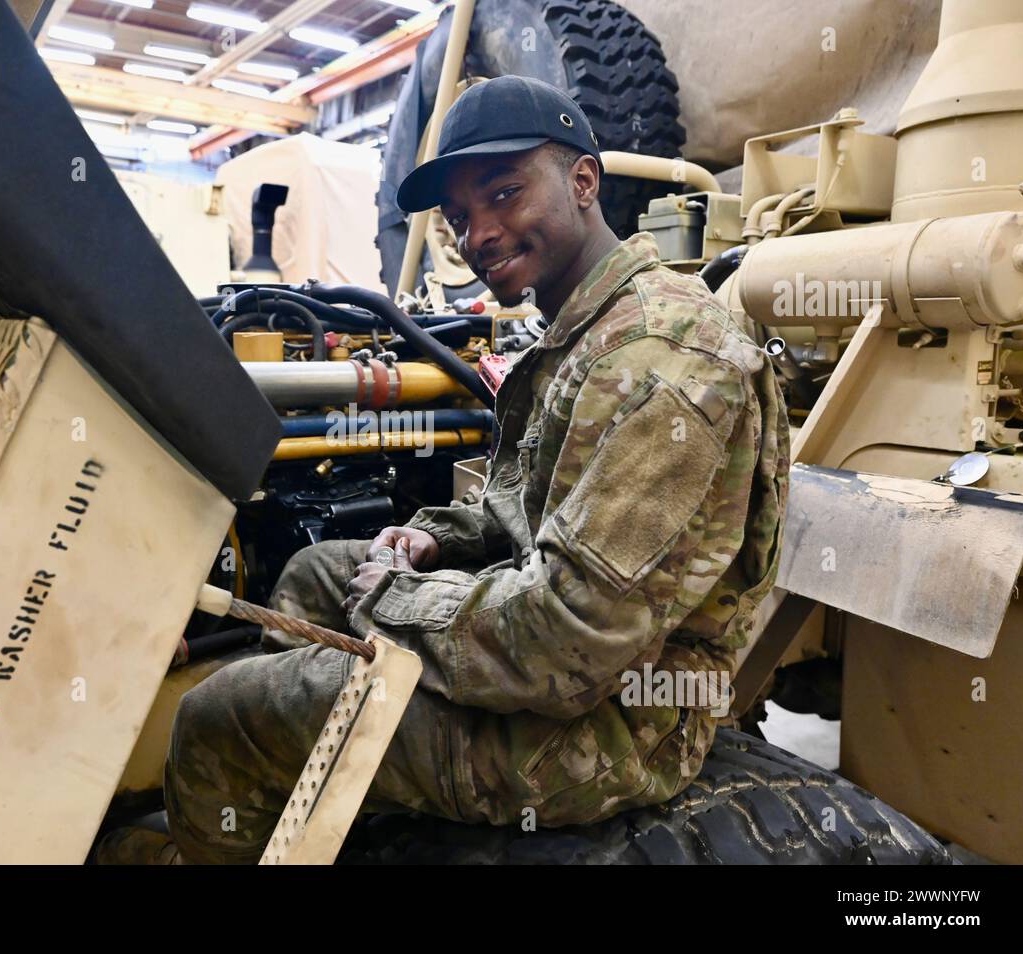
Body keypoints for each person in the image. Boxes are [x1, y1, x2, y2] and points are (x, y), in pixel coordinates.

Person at [147, 75, 789, 865]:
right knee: (316, 575)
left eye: (505, 194)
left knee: (219, 716)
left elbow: (571, 637)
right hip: (571, 669)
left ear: (583, 181)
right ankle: (318, 813)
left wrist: (395, 599)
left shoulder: (665, 356)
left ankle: (271, 780)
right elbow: (518, 515)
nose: (478, 233)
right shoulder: (579, 334)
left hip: (615, 725)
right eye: (458, 219)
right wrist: (429, 542)